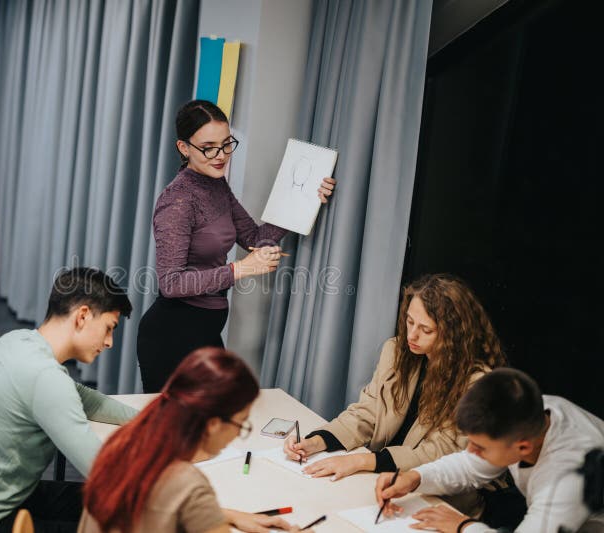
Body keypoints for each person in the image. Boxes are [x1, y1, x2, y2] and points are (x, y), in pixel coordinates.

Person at [136, 99, 336, 392]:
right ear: (184, 148)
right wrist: (238, 269)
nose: (221, 156)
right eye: (209, 148)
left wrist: (307, 198)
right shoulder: (178, 200)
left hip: (205, 330)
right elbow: (171, 283)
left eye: (227, 144)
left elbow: (255, 239)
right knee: (175, 435)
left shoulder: (217, 186)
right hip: (172, 335)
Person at [0, 267, 138, 533]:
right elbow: (104, 473)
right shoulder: (45, 378)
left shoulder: (16, 341)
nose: (110, 342)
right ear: (82, 316)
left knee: (101, 505)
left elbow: (84, 398)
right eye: (108, 328)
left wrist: (146, 418)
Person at [285, 274, 506, 482]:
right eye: (410, 322)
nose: (411, 335)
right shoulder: (396, 351)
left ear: (453, 334)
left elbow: (441, 452)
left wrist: (362, 460)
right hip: (378, 475)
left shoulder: (476, 383)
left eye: (426, 330)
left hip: (431, 494)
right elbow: (367, 413)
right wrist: (316, 441)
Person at [79, 347, 308, 533]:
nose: (239, 434)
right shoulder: (188, 484)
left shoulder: (124, 444)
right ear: (214, 424)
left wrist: (223, 516)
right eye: (241, 423)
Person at [375, 368, 604, 533]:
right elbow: (470, 465)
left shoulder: (567, 478)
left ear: (523, 447)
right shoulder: (527, 413)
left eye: (480, 447)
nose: (470, 451)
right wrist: (415, 477)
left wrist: (463, 525)